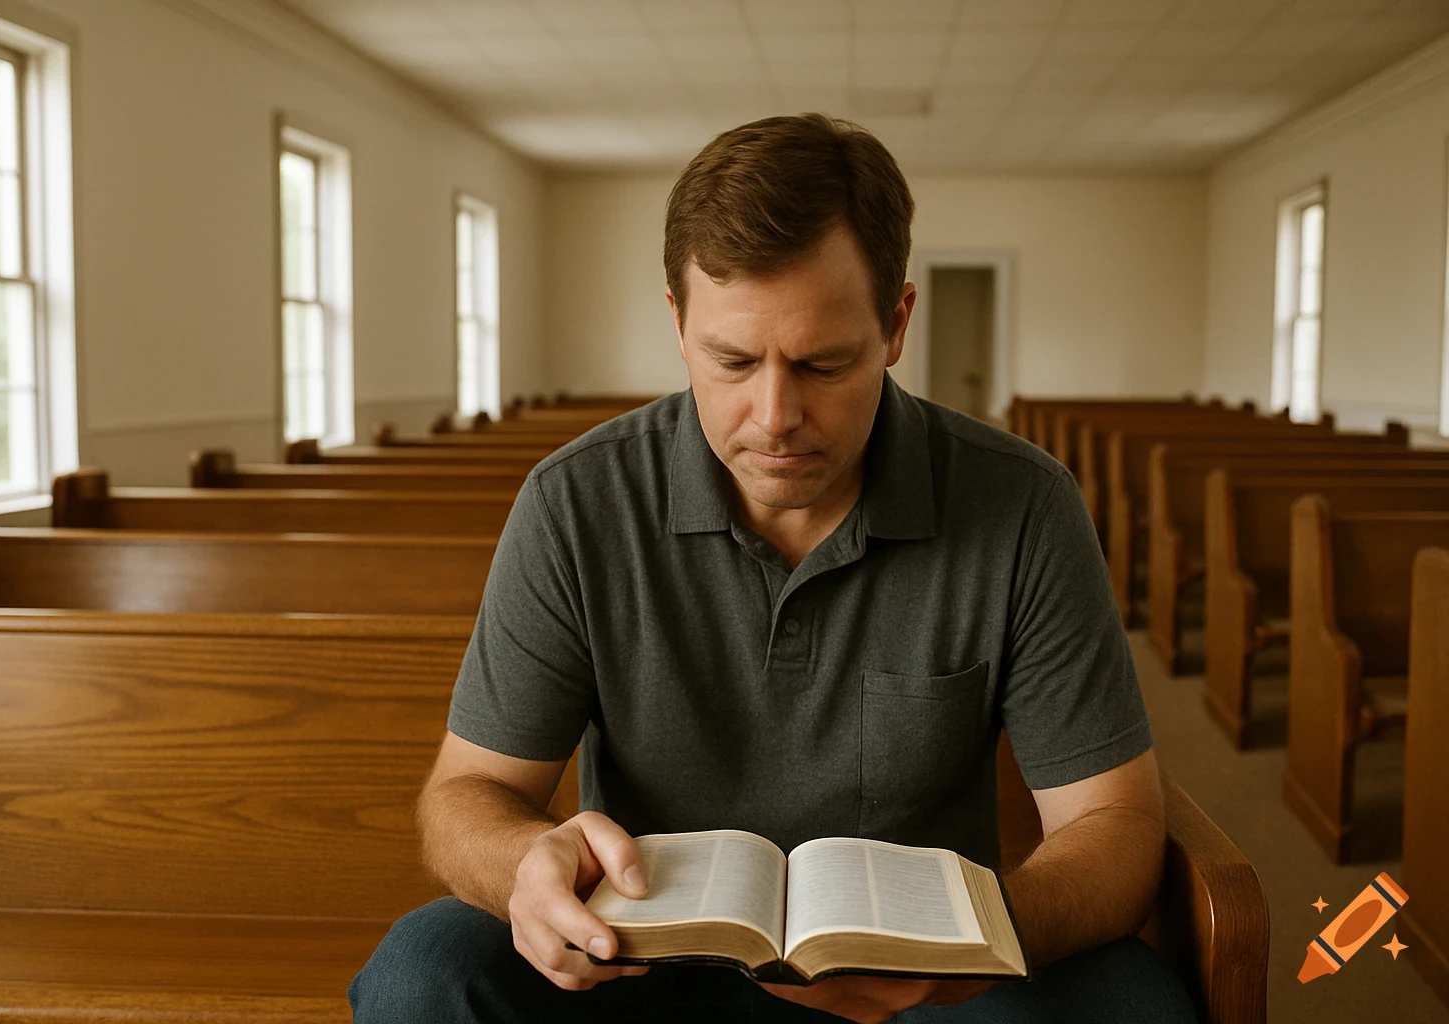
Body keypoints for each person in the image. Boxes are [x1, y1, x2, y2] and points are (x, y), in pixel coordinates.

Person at [349, 113, 1198, 1024]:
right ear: (678, 324)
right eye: (732, 360)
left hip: (928, 987)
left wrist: (984, 935)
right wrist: (528, 866)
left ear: (896, 324)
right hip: (645, 963)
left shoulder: (1025, 506)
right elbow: (466, 796)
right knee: (424, 969)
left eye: (823, 364)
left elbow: (1115, 827)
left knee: (1132, 1003)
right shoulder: (575, 503)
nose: (774, 415)